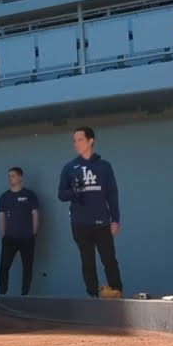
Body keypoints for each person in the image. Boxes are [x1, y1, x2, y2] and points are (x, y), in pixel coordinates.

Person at [57, 126, 123, 298]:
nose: (76, 144)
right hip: (80, 223)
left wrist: (115, 219)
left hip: (102, 221)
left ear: (90, 141)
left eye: (80, 140)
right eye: (74, 140)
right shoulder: (70, 167)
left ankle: (117, 291)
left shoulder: (104, 166)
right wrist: (75, 192)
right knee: (87, 261)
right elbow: (61, 194)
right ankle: (93, 295)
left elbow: (112, 193)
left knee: (109, 259)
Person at [0, 167, 39, 296]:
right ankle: (2, 294)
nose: (10, 178)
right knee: (3, 268)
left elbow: (35, 214)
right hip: (10, 238)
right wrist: (3, 234)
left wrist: (34, 233)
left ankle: (24, 295)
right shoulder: (4, 197)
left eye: (13, 176)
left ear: (20, 177)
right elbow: (1, 216)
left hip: (27, 238)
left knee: (27, 268)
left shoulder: (29, 195)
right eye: (9, 176)